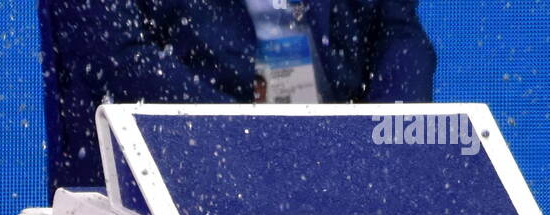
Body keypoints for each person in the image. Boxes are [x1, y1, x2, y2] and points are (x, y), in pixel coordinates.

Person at [39, 0, 437, 191]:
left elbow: (398, 35)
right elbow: (116, 58)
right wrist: (255, 140)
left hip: (332, 173)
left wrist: (383, 145)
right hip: (167, 186)